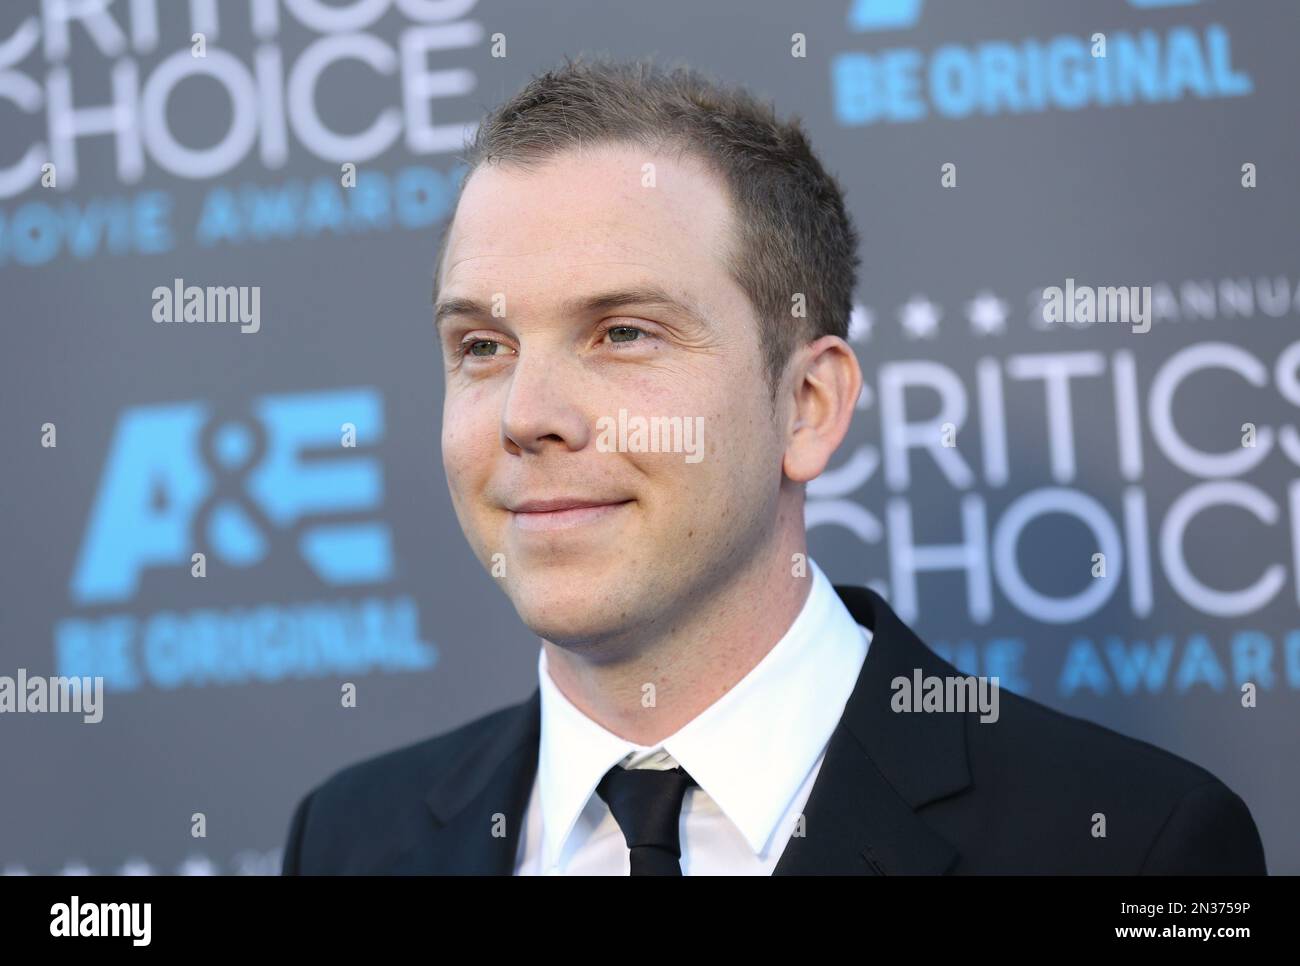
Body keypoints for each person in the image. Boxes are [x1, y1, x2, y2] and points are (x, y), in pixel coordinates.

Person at [282, 56, 1266, 875]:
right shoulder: (348, 841)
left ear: (806, 408)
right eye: (482, 347)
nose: (526, 417)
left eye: (622, 333)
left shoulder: (1132, 844)